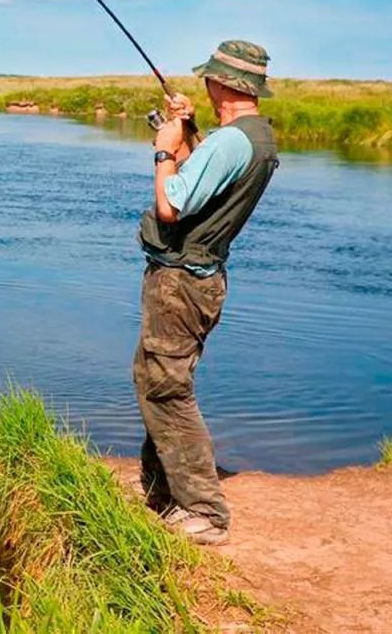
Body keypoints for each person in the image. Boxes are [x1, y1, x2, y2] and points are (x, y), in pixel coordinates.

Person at [132, 40, 279, 546]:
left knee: (168, 387)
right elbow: (203, 180)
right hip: (197, 278)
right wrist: (189, 132)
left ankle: (204, 511)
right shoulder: (250, 137)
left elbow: (173, 204)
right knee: (154, 376)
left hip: (182, 283)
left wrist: (162, 147)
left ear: (224, 84)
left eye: (209, 78)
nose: (204, 84)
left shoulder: (232, 142)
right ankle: (161, 488)